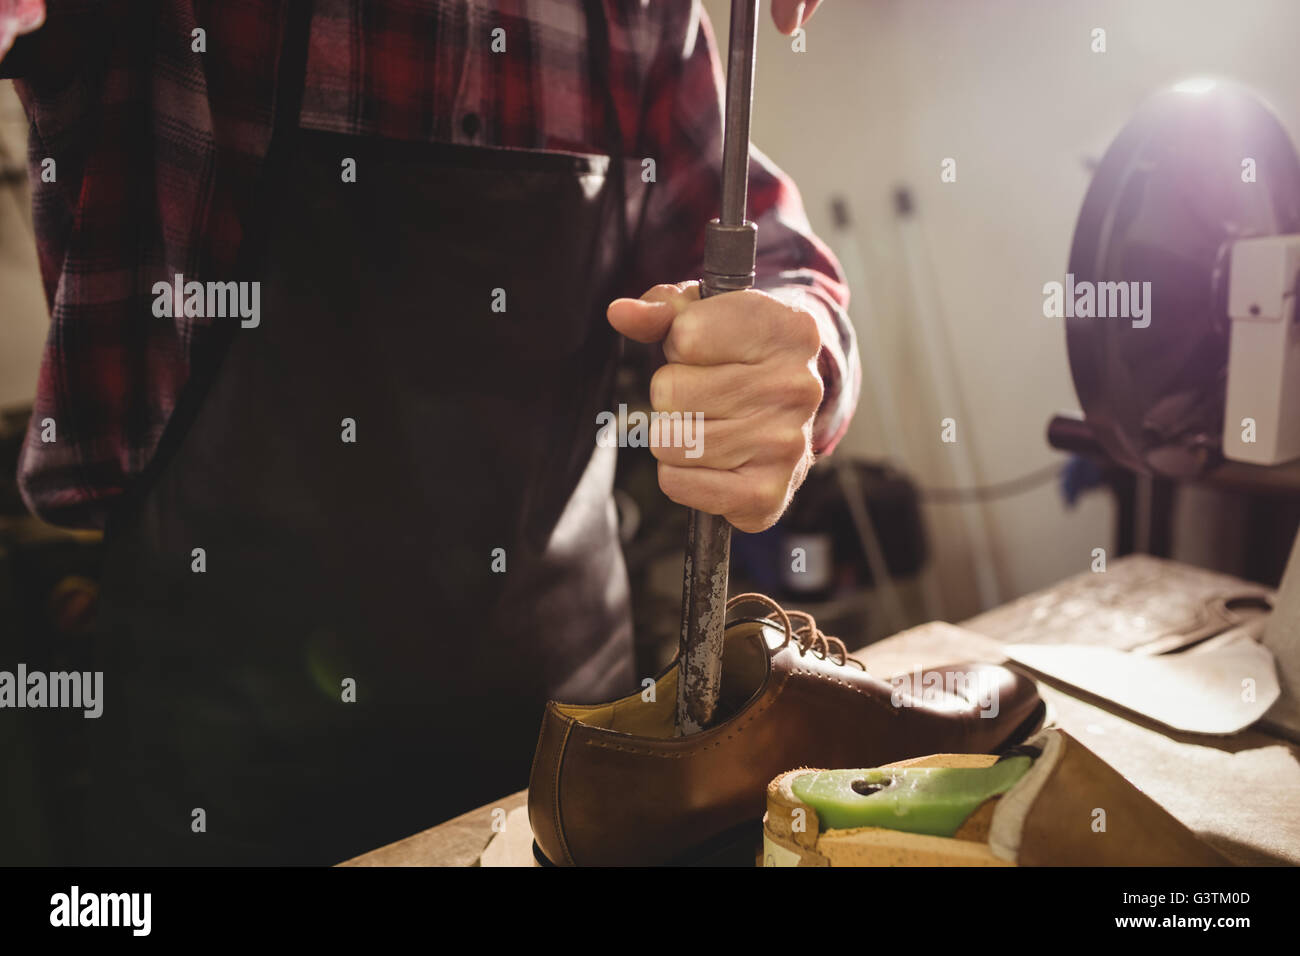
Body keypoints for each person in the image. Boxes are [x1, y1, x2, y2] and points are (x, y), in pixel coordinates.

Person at [0, 0, 859, 864]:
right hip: (223, 778)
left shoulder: (640, 16)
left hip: (567, 763)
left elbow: (783, 270)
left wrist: (787, 356)